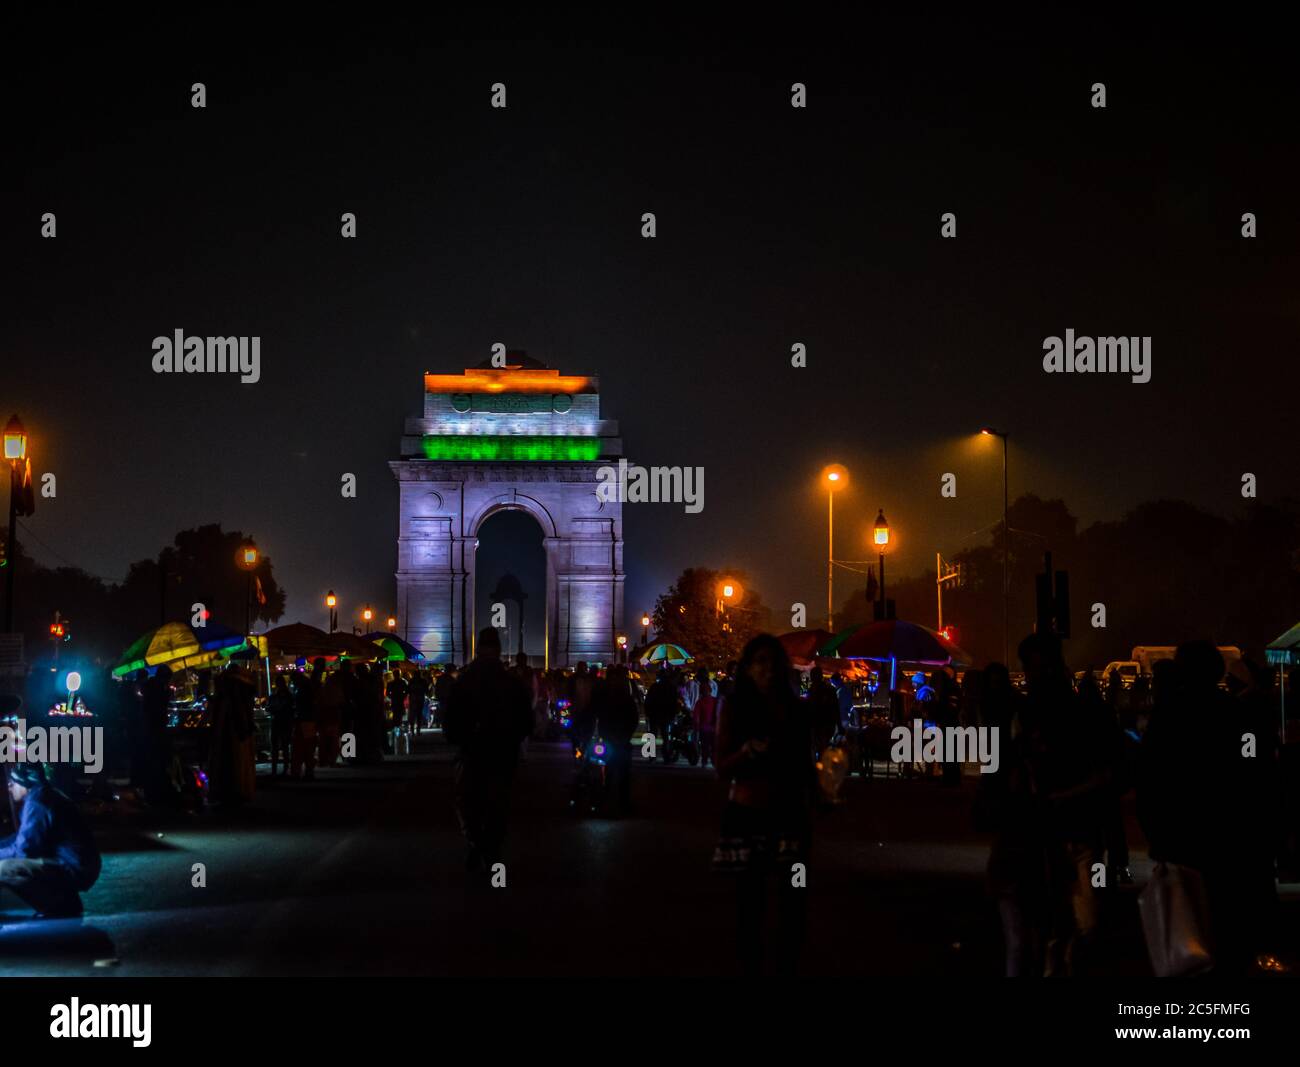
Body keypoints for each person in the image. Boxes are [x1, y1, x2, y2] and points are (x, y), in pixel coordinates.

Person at [714, 634, 815, 976]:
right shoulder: (733, 709)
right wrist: (746, 753)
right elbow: (720, 766)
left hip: (789, 817)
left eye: (773, 662)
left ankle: (786, 964)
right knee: (749, 904)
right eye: (760, 662)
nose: (767, 670)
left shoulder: (796, 711)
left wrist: (824, 791)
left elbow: (805, 764)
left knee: (794, 903)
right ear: (747, 668)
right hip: (748, 815)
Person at [443, 628, 533, 872]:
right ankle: (490, 849)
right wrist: (512, 740)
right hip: (502, 755)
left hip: (472, 754)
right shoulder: (512, 683)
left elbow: (450, 722)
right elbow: (527, 721)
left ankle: (476, 844)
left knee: (468, 802)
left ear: (477, 648)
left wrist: (461, 740)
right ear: (499, 650)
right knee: (498, 805)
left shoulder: (463, 682)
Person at [0, 764, 101, 919]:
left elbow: (24, 849)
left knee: (4, 868)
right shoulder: (42, 795)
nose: (9, 787)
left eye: (13, 783)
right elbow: (20, 838)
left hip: (74, 867)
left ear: (25, 782)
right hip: (78, 864)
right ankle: (67, 901)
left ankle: (58, 906)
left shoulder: (37, 801)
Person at [208, 663, 256, 807]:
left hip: (234, 732)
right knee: (234, 760)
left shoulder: (231, 698)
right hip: (232, 732)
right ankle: (234, 790)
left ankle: (235, 790)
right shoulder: (230, 699)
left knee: (235, 760)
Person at [597, 665, 641, 814]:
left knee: (621, 773)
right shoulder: (608, 698)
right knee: (611, 773)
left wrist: (623, 735)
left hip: (620, 739)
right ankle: (613, 801)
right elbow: (601, 717)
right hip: (614, 739)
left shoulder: (624, 699)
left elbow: (632, 719)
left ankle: (620, 802)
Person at [289, 668, 318, 780]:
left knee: (301, 747)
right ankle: (307, 771)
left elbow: (304, 705)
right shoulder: (305, 687)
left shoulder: (302, 689)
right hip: (306, 720)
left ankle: (300, 771)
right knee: (307, 747)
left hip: (305, 720)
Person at [644, 668, 678, 761]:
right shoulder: (671, 687)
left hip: (655, 714)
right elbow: (674, 702)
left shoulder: (655, 687)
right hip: (665, 715)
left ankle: (652, 756)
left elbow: (648, 701)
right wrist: (673, 713)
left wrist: (648, 712)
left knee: (653, 735)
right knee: (665, 736)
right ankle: (666, 755)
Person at [267, 674, 294, 777]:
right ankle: (281, 770)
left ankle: (280, 770)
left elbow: (269, 707)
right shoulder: (283, 695)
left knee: (280, 747)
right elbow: (268, 707)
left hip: (281, 722)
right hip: (281, 723)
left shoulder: (278, 696)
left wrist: (274, 709)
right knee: (282, 747)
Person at [693, 668, 721, 767]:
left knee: (707, 746)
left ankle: (707, 761)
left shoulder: (701, 702)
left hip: (706, 728)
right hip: (709, 728)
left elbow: (696, 716)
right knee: (710, 746)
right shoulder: (713, 701)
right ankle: (710, 761)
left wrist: (696, 726)